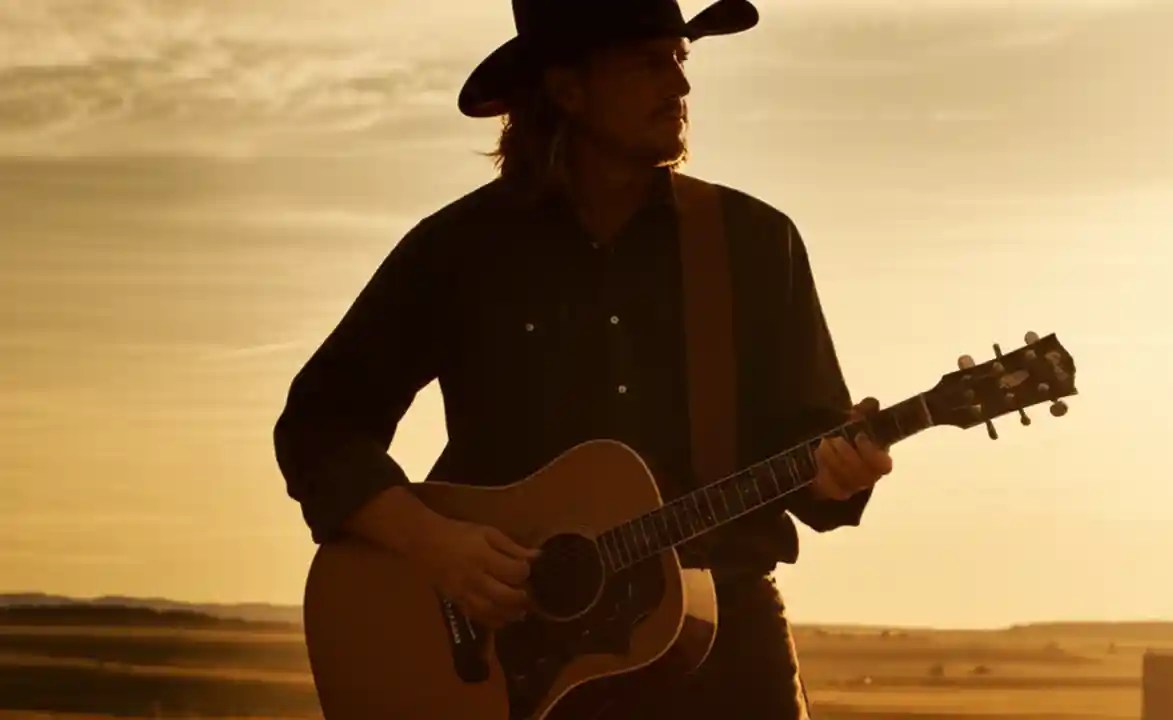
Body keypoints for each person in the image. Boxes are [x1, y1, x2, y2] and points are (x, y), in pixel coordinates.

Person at [272, 0, 895, 717]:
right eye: (648, 64)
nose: (680, 88)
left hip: (718, 651)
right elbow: (319, 425)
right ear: (568, 89)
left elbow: (806, 454)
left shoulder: (752, 242)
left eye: (681, 60)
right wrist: (437, 547)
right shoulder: (458, 250)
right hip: (509, 658)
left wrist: (842, 475)